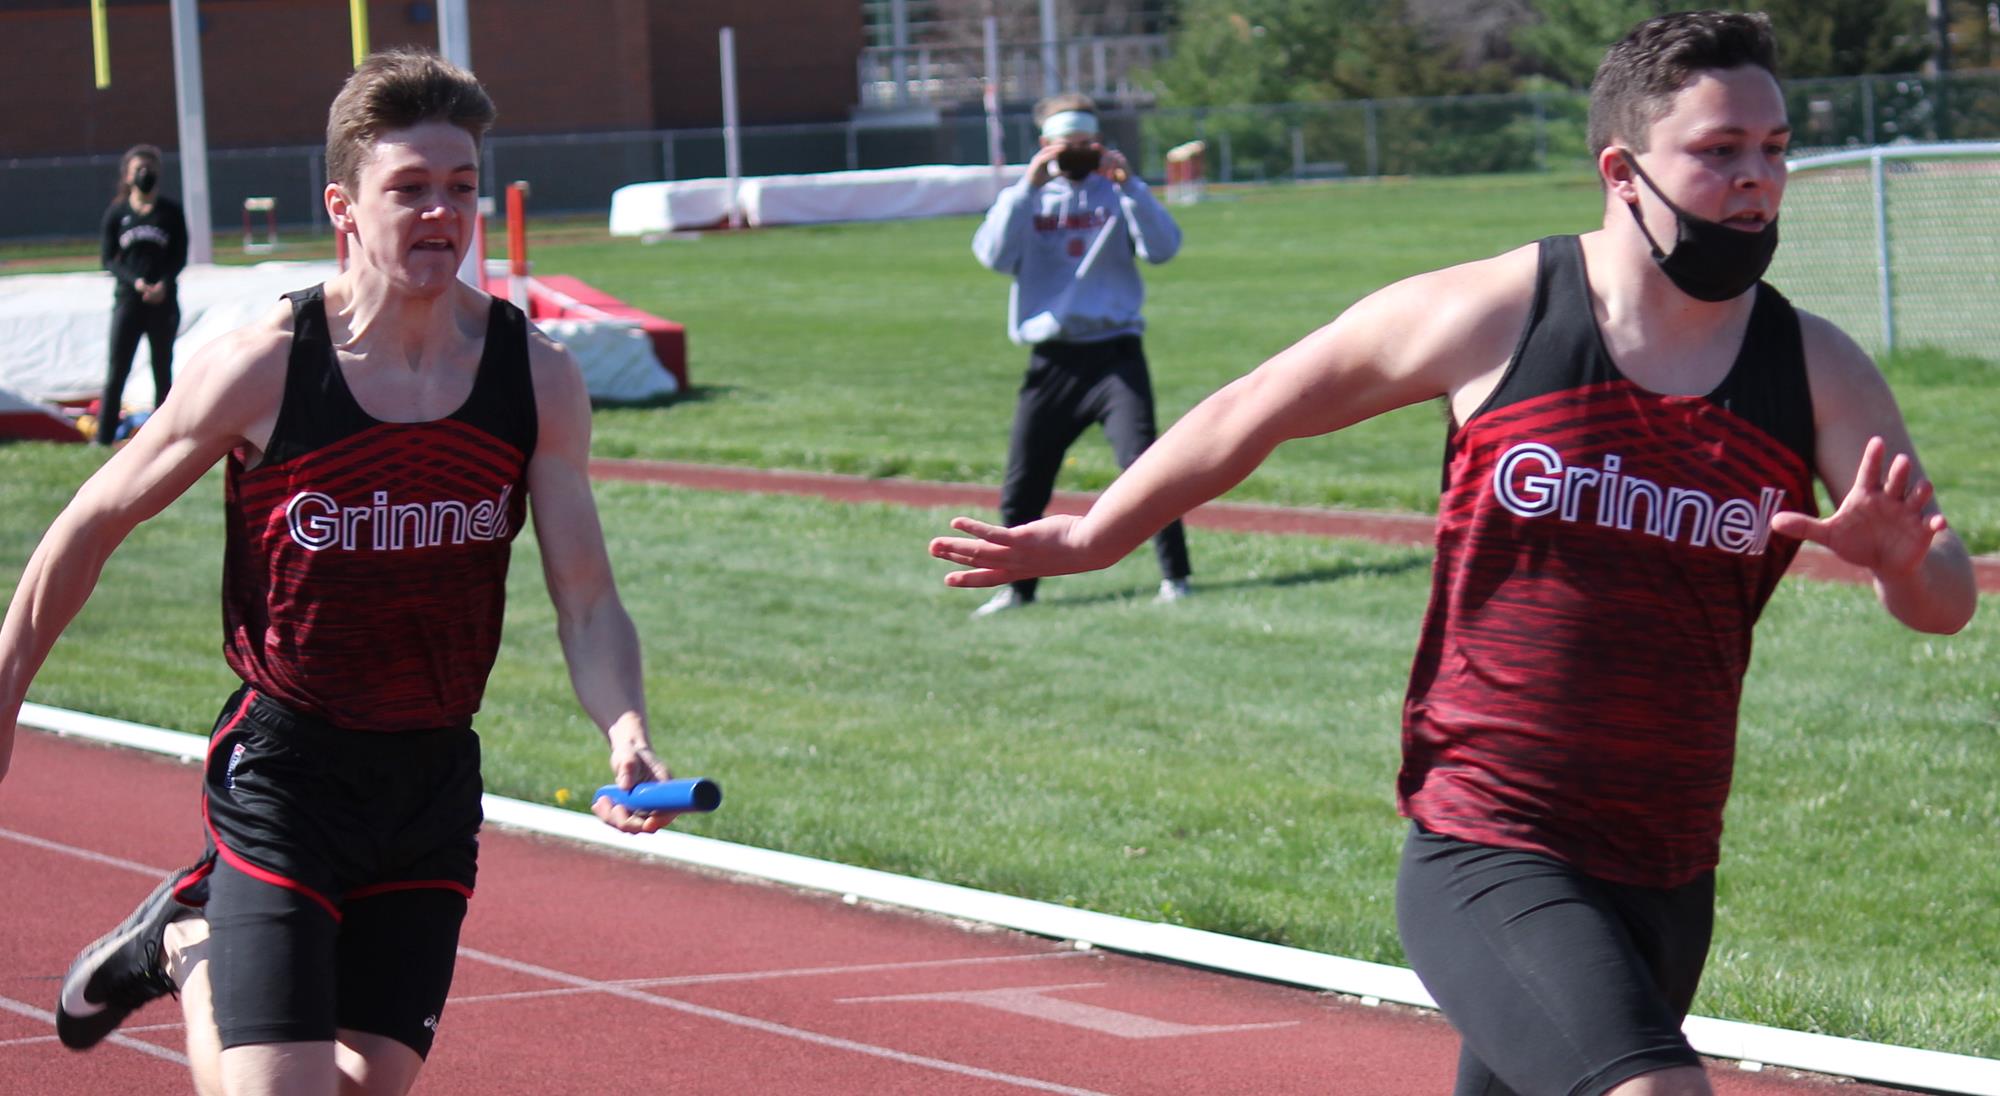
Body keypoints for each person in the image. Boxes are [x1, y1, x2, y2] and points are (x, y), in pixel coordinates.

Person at [932, 13, 1976, 1096]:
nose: (1755, 180)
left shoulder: (1811, 367)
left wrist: (1901, 562)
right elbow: (1260, 406)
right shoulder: (1499, 313)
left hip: (1667, 865)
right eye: (1717, 152)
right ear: (1620, 171)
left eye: (1771, 149)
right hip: (1489, 840)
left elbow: (1944, 602)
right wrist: (1099, 533)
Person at [1, 49, 677, 1096]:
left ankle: (184, 932)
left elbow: (585, 597)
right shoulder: (270, 361)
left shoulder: (532, 376)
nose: (440, 213)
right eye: (408, 188)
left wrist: (626, 730)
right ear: (344, 208)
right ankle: (193, 950)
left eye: (460, 189)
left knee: (361, 1085)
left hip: (431, 779)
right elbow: (94, 519)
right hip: (287, 770)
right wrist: (4, 690)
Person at [968, 92, 1192, 617]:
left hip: (1116, 356)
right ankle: (1016, 587)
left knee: (1145, 467)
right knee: (1025, 478)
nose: (1077, 156)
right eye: (1066, 147)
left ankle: (1176, 577)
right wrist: (1028, 185)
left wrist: (1131, 184)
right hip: (1052, 359)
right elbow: (993, 256)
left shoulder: (1118, 193)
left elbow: (1164, 248)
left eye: (1087, 145)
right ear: (1044, 146)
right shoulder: (1026, 198)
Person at [98, 143, 190, 446]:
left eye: (149, 168)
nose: (144, 174)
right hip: (128, 300)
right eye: (138, 169)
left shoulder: (170, 212)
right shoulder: (117, 213)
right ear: (127, 175)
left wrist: (163, 282)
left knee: (162, 368)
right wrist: (135, 282)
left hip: (162, 302)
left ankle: (163, 436)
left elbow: (179, 255)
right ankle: (104, 436)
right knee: (117, 369)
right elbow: (108, 259)